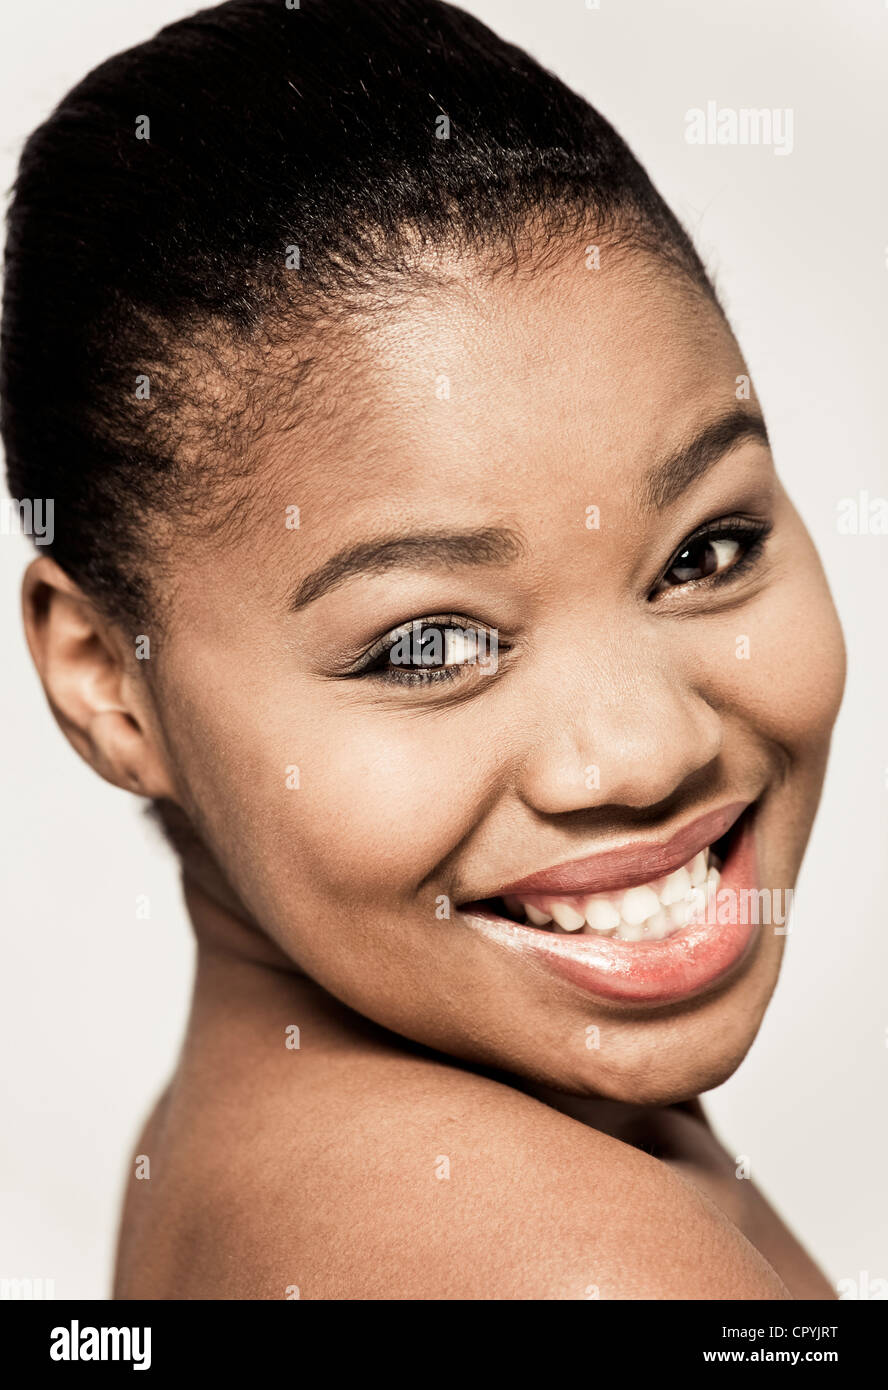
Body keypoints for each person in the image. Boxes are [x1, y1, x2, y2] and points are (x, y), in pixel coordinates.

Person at [2, 0, 845, 1298]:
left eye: (703, 551)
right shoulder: (583, 1267)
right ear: (106, 683)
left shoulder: (254, 1150)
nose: (646, 746)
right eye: (430, 643)